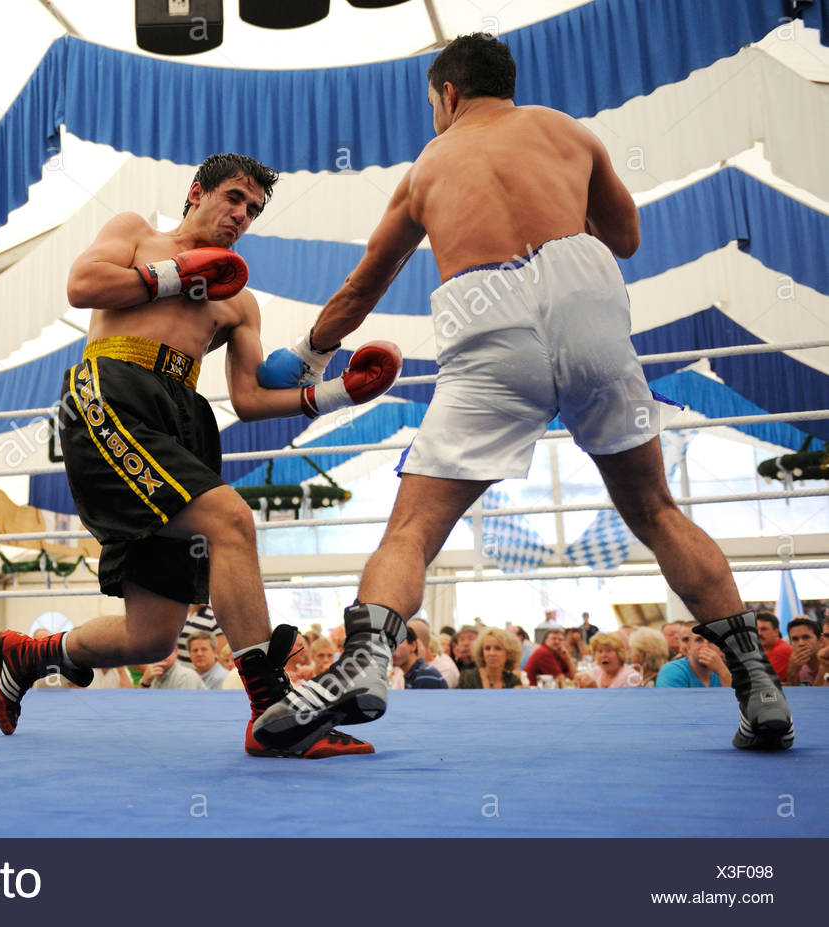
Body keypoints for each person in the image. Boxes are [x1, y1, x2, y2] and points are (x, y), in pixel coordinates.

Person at [251, 33, 792, 753]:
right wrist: (559, 225)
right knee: (658, 510)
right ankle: (758, 682)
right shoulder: (568, 133)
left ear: (447, 95)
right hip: (587, 297)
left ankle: (365, 660)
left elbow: (362, 288)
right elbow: (626, 238)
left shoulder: (427, 168)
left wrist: (309, 354)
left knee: (412, 529)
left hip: (486, 310)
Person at [0, 153, 400, 759]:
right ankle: (275, 714)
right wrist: (177, 273)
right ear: (197, 192)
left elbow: (251, 397)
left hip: (178, 417)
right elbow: (82, 285)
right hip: (112, 392)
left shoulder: (239, 301)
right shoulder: (137, 233)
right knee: (229, 518)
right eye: (234, 198)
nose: (242, 215)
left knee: (149, 635)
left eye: (253, 210)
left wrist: (338, 393)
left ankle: (29, 655)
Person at [656, 627, 731, 689]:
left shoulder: (725, 672)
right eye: (699, 640)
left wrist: (723, 673)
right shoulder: (672, 670)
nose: (705, 646)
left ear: (720, 648)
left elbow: (735, 704)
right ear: (689, 647)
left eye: (711, 640)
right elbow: (674, 705)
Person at [457, 627, 522, 689]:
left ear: (508, 653)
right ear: (481, 652)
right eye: (487, 648)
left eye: (497, 648)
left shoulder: (514, 680)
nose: (492, 653)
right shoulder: (467, 678)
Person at [576, 633, 641, 688]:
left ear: (619, 654)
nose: (603, 655)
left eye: (608, 651)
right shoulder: (597, 672)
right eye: (600, 651)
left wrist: (595, 690)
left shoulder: (631, 677)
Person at [138, 646, 204, 690]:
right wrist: (144, 684)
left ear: (175, 651)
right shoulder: (150, 676)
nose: (159, 655)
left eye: (164, 650)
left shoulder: (185, 676)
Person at [783, 618, 823, 686]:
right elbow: (794, 694)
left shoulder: (826, 662)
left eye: (806, 637)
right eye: (795, 639)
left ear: (820, 641)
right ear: (790, 644)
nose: (801, 643)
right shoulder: (795, 665)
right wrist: (793, 673)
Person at [755, 612, 792, 680]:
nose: (759, 633)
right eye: (756, 630)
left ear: (776, 632)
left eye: (764, 629)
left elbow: (763, 680)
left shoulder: (782, 650)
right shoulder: (759, 650)